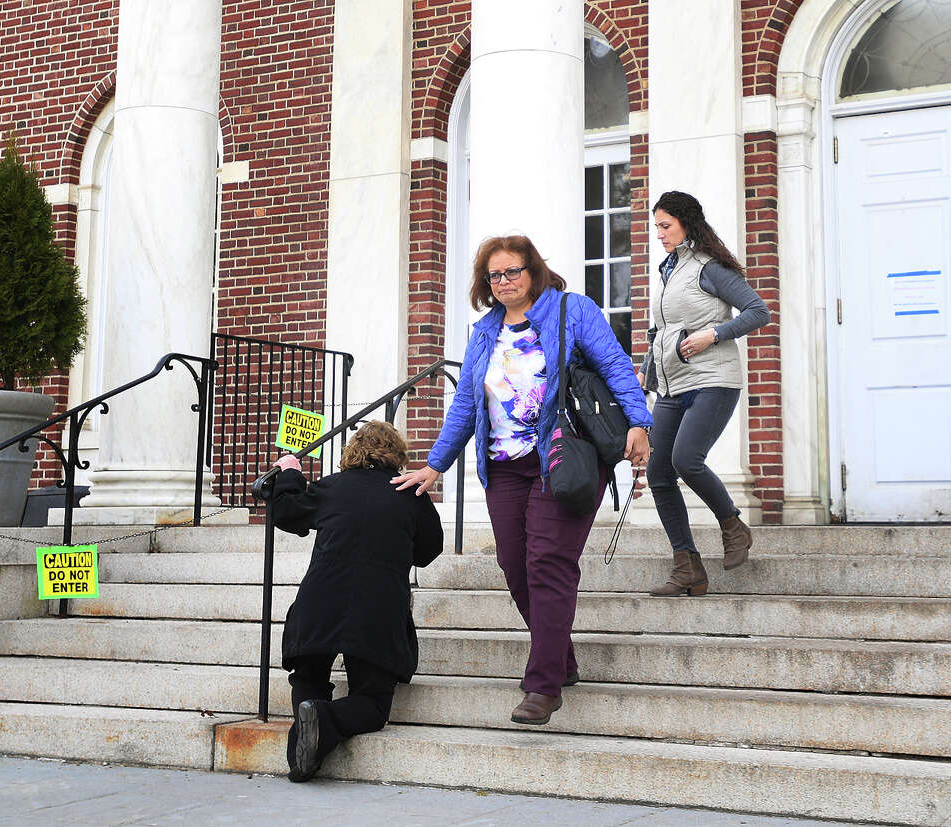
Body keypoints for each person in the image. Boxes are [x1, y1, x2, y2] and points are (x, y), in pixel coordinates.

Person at [392, 234, 652, 727]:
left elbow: (616, 365)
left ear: (533, 271)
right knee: (515, 566)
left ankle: (543, 685)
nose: (504, 281)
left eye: (513, 271)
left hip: (565, 457)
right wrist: (435, 464)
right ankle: (561, 658)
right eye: (495, 275)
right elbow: (467, 404)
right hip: (505, 466)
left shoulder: (572, 311)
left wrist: (639, 422)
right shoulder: (485, 331)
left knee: (548, 563)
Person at [269, 420, 443, 782]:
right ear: (396, 456)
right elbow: (429, 550)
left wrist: (289, 473)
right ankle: (323, 717)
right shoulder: (410, 492)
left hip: (320, 602)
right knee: (374, 703)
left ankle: (304, 752)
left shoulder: (331, 488)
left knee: (309, 675)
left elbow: (285, 513)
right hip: (377, 610)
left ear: (352, 452)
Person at [638, 190, 770, 597]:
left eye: (665, 226)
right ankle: (688, 568)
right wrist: (645, 371)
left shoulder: (708, 268)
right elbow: (662, 331)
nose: (658, 234)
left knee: (685, 459)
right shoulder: (668, 270)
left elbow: (757, 311)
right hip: (672, 385)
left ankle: (733, 525)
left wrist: (714, 334)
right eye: (656, 226)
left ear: (685, 224)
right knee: (658, 473)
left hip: (713, 379)